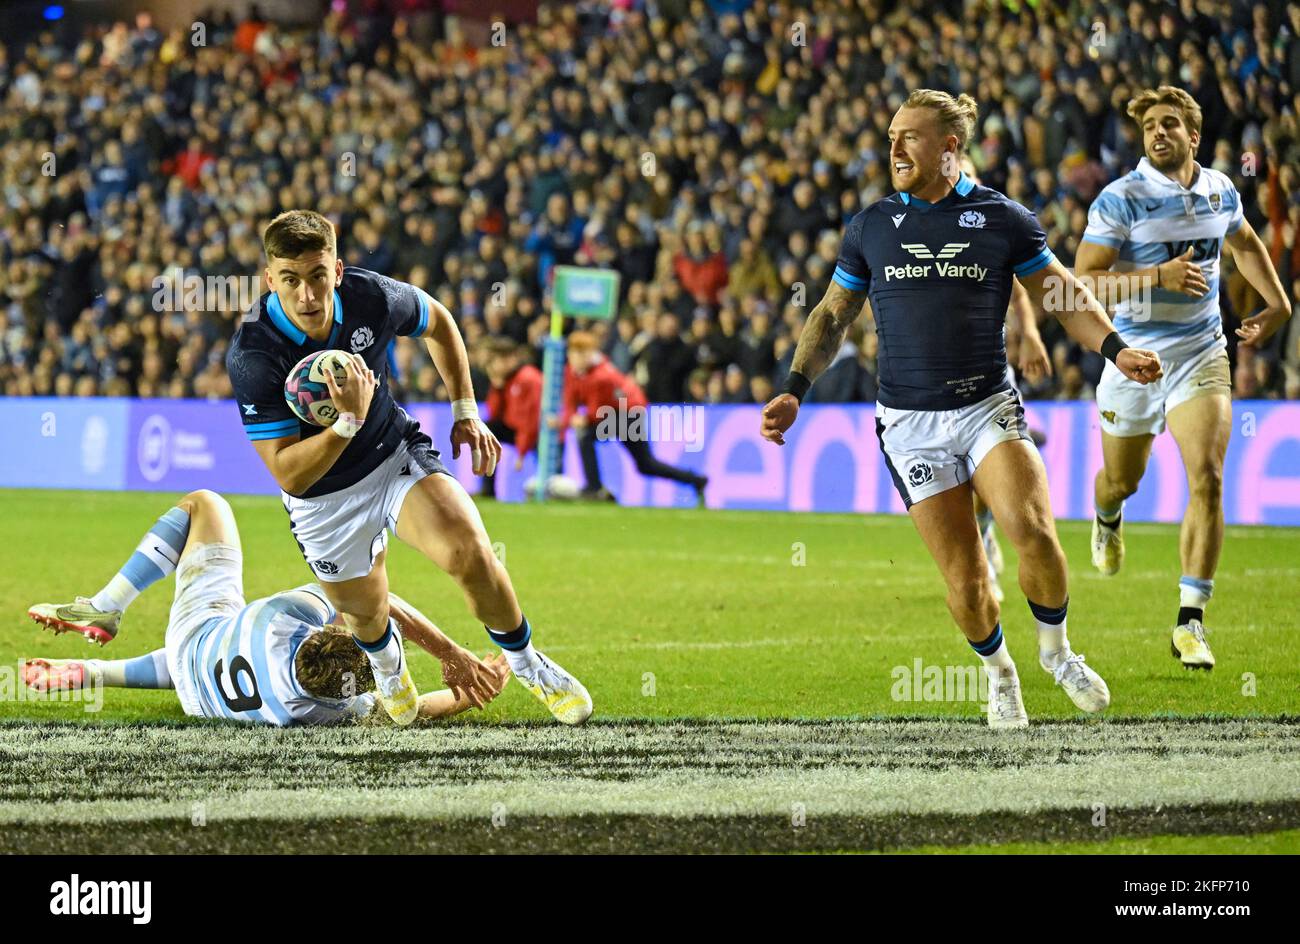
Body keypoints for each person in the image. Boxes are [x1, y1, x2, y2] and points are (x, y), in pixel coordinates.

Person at [761, 89, 1163, 728]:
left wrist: (1116, 349)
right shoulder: (870, 226)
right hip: (910, 426)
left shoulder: (1004, 219)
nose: (894, 148)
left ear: (950, 148)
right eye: (891, 135)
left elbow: (1060, 293)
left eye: (909, 137)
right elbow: (834, 313)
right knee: (970, 587)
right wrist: (795, 386)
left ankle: (1057, 653)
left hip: (986, 405)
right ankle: (1000, 673)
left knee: (1034, 532)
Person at [204, 210, 589, 726]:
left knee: (470, 552)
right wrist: (346, 422)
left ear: (337, 271)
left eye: (318, 276)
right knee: (366, 613)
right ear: (270, 280)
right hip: (322, 501)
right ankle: (389, 670)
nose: (307, 295)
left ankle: (529, 665)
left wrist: (466, 410)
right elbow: (289, 474)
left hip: (391, 454)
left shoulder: (371, 297)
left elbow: (439, 322)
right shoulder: (254, 354)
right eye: (291, 281)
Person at [1075, 86, 1291, 670]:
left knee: (1209, 477)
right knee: (1122, 482)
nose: (1158, 134)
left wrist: (1278, 302)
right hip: (1133, 360)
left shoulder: (1221, 189)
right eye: (1150, 127)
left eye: (1170, 124)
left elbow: (1244, 243)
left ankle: (1190, 621)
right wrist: (1156, 276)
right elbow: (1081, 281)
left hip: (1201, 352)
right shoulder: (1120, 198)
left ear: (1193, 135)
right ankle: (1107, 515)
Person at [25, 490, 510, 726]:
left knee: (204, 505)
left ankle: (108, 606)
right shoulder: (324, 710)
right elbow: (412, 711)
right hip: (201, 697)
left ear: (325, 632)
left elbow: (374, 604)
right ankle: (92, 672)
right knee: (201, 660)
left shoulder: (282, 617)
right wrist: (470, 695)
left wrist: (448, 652)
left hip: (198, 633)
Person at [560, 330, 708, 506]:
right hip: (612, 414)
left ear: (590, 354)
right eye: (573, 353)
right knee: (646, 465)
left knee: (585, 436)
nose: (576, 359)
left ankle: (594, 488)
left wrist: (577, 420)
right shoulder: (572, 372)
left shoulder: (601, 376)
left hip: (629, 413)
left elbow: (595, 411)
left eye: (581, 354)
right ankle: (696, 480)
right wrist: (567, 419)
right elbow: (570, 402)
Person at [480, 338, 542, 498]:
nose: (492, 366)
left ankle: (550, 488)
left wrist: (521, 453)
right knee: (488, 430)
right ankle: (488, 489)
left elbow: (530, 420)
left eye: (495, 361)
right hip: (518, 430)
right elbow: (494, 413)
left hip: (539, 432)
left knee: (490, 430)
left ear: (511, 359)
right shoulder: (505, 381)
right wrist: (497, 387)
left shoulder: (527, 379)